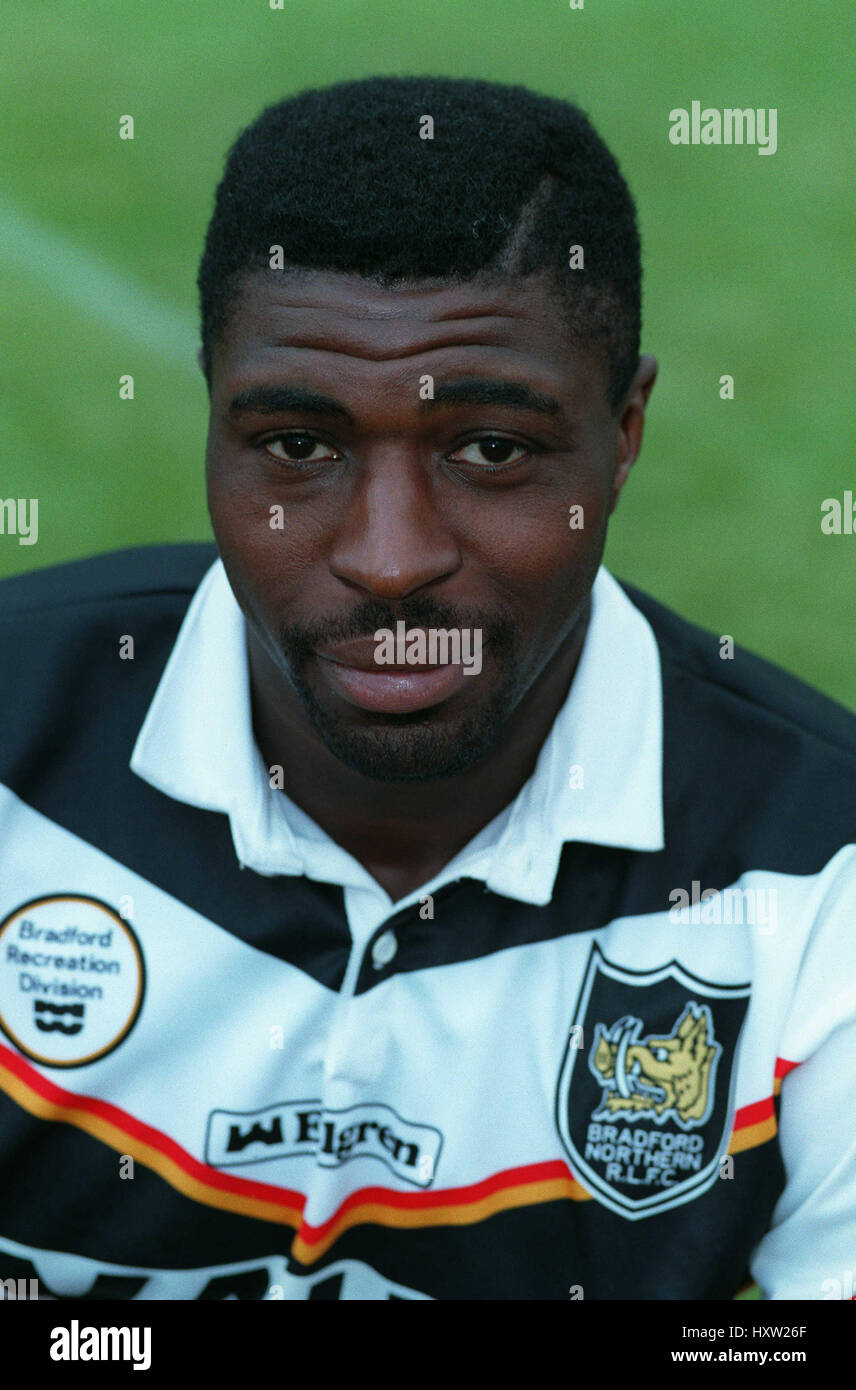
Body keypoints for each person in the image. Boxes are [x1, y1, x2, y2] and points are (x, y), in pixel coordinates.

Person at [1, 75, 854, 1302]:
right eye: (297, 445)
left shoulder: (818, 884)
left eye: (490, 449)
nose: (389, 559)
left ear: (622, 433)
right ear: (211, 419)